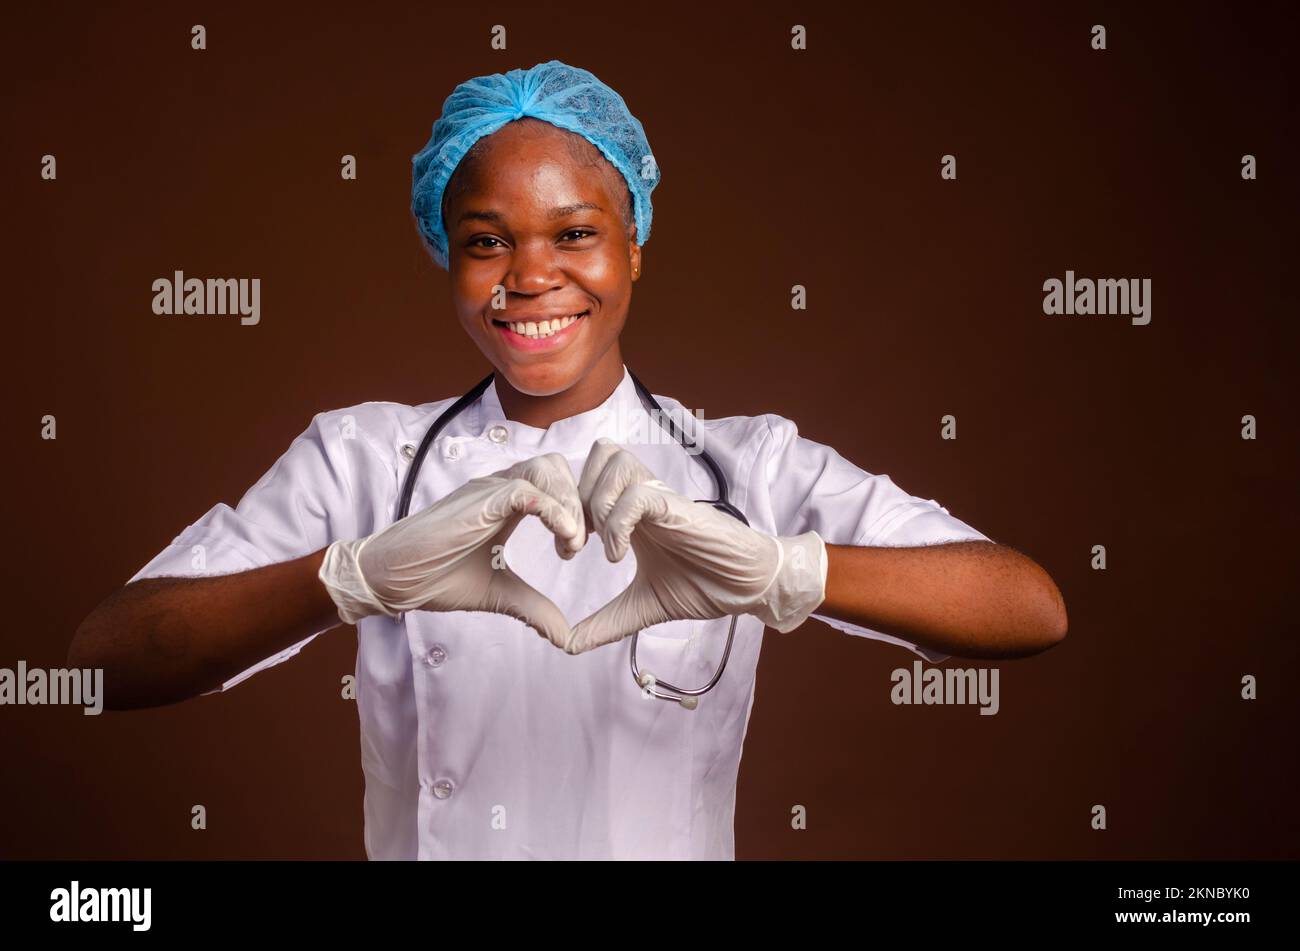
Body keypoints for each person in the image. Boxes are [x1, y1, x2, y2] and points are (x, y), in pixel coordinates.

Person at [70, 60, 1067, 860]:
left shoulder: (746, 466)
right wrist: (351, 579)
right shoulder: (365, 458)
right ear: (443, 255)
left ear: (634, 243)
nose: (532, 275)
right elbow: (103, 664)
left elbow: (1026, 607)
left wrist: (785, 572)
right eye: (485, 241)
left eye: (576, 233)